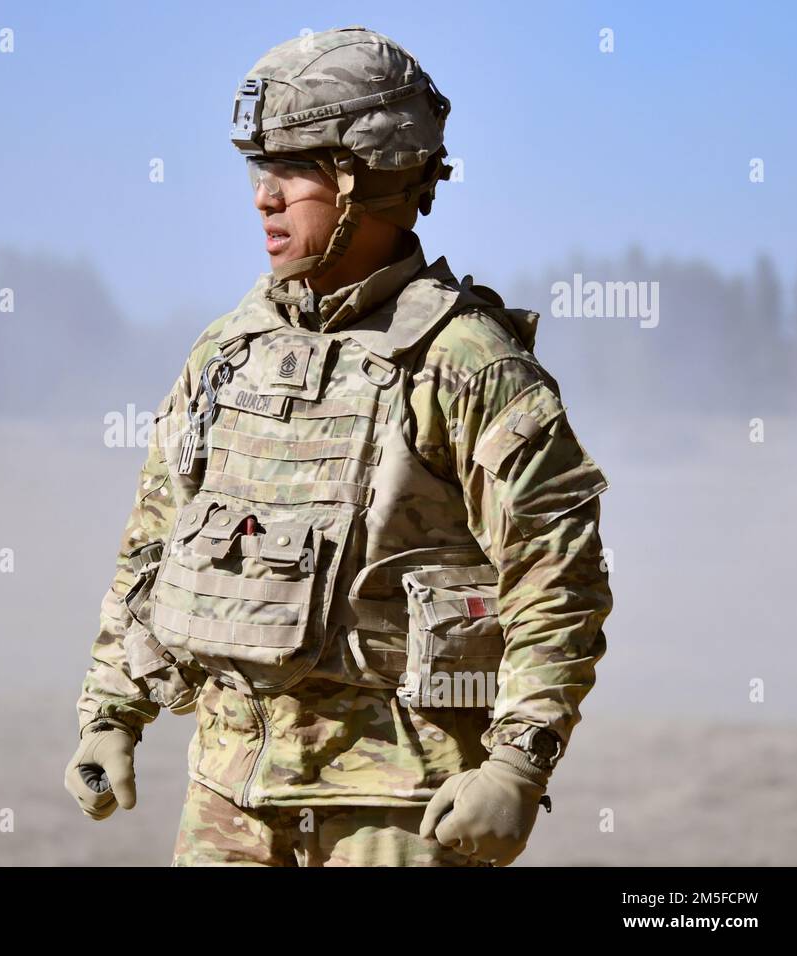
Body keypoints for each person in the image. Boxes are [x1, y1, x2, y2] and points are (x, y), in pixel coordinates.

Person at [64, 26, 612, 867]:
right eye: (258, 169)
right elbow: (153, 542)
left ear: (372, 175)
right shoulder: (227, 353)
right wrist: (111, 712)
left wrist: (517, 764)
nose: (264, 198)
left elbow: (555, 577)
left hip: (400, 810)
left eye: (294, 170)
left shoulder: (464, 364)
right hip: (227, 796)